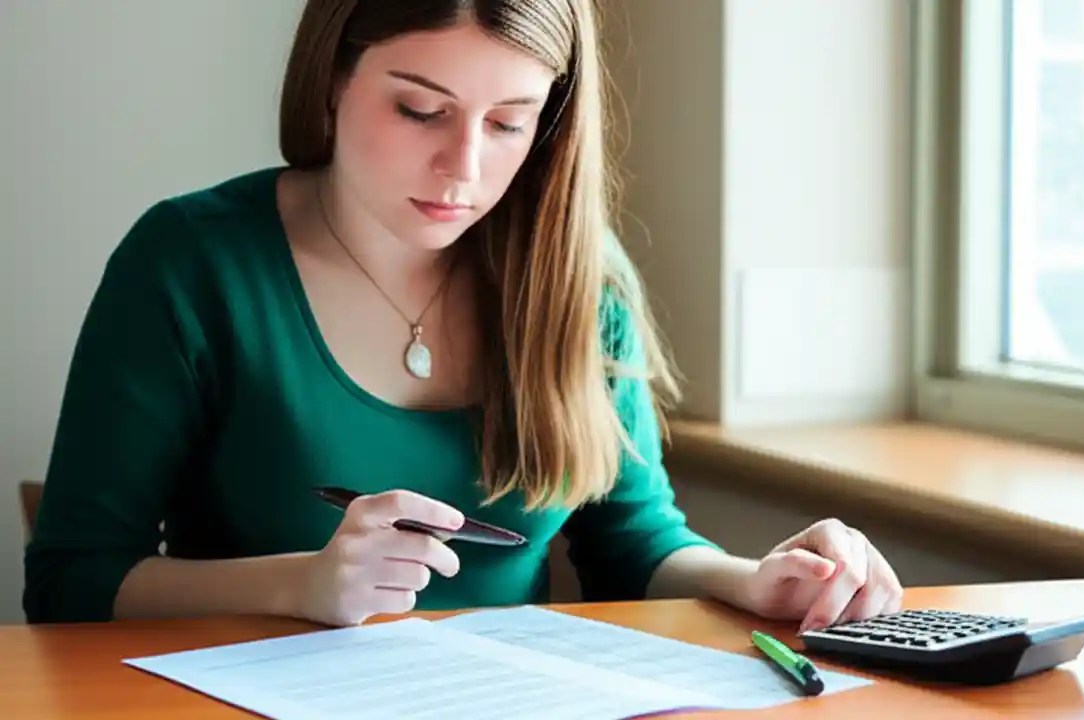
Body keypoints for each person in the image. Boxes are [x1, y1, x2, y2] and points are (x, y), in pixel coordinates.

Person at [23, 0, 902, 630]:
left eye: (512, 123)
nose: (464, 170)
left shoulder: (578, 276)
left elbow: (632, 542)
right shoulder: (189, 262)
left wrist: (760, 582)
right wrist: (303, 585)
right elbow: (73, 580)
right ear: (333, 76)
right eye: (420, 109)